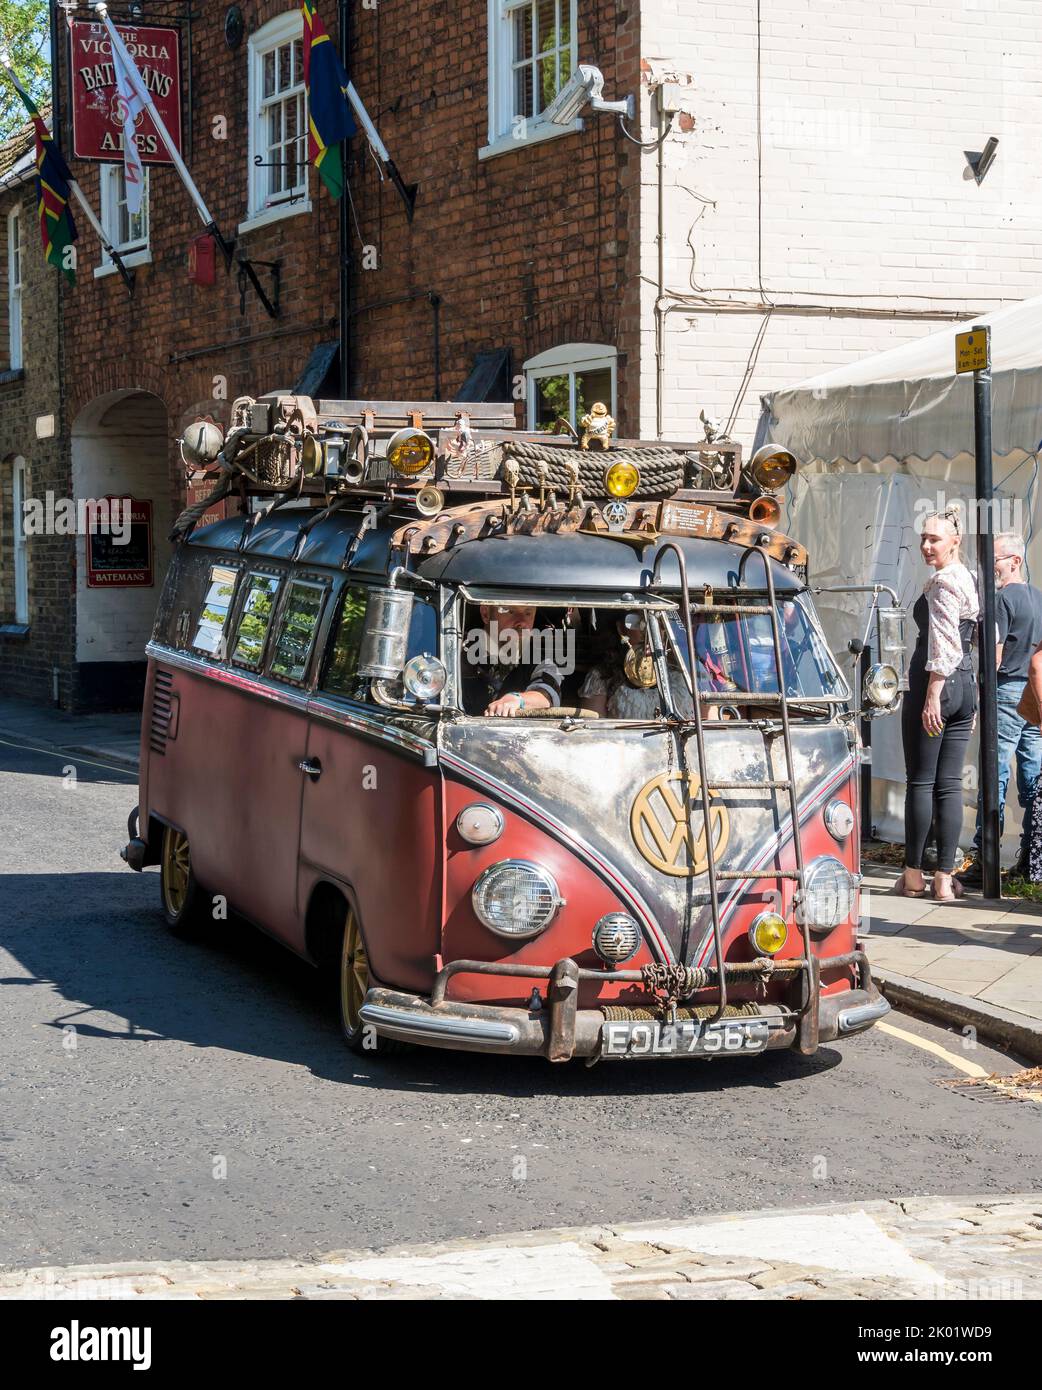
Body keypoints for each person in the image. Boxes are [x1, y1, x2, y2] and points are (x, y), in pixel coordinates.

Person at [895, 509, 979, 901]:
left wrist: (932, 694)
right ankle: (944, 877)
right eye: (924, 538)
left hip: (939, 684)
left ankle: (914, 874)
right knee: (948, 784)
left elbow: (944, 644)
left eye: (935, 539)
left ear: (955, 542)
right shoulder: (972, 579)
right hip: (964, 686)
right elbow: (981, 636)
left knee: (922, 780)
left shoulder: (945, 583)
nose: (927, 546)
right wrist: (970, 696)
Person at [956, 531, 1042, 887]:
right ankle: (1031, 857)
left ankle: (985, 860)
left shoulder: (1002, 599)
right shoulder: (1038, 598)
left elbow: (994, 652)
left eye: (994, 560)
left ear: (1015, 561)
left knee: (994, 774)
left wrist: (980, 692)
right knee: (1033, 777)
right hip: (1034, 692)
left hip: (1007, 689)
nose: (989, 567)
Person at [578, 612, 697, 719]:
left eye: (659, 622)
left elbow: (708, 724)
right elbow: (594, 731)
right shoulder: (602, 677)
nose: (649, 632)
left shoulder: (686, 672)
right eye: (639, 622)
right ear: (621, 629)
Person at [461, 604, 564, 716]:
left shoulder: (540, 662)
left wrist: (519, 700)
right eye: (510, 611)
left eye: (528, 613)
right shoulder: (455, 653)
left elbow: (546, 694)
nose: (522, 622)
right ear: (486, 613)